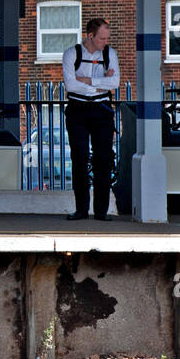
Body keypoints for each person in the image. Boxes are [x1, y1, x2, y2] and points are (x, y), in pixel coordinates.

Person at [61, 17, 120, 220]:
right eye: (102, 38)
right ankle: (81, 210)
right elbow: (71, 86)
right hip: (77, 109)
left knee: (103, 158)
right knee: (79, 157)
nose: (105, 42)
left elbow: (115, 82)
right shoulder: (71, 53)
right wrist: (100, 83)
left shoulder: (110, 53)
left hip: (102, 109)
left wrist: (87, 81)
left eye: (107, 38)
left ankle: (102, 211)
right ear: (90, 36)